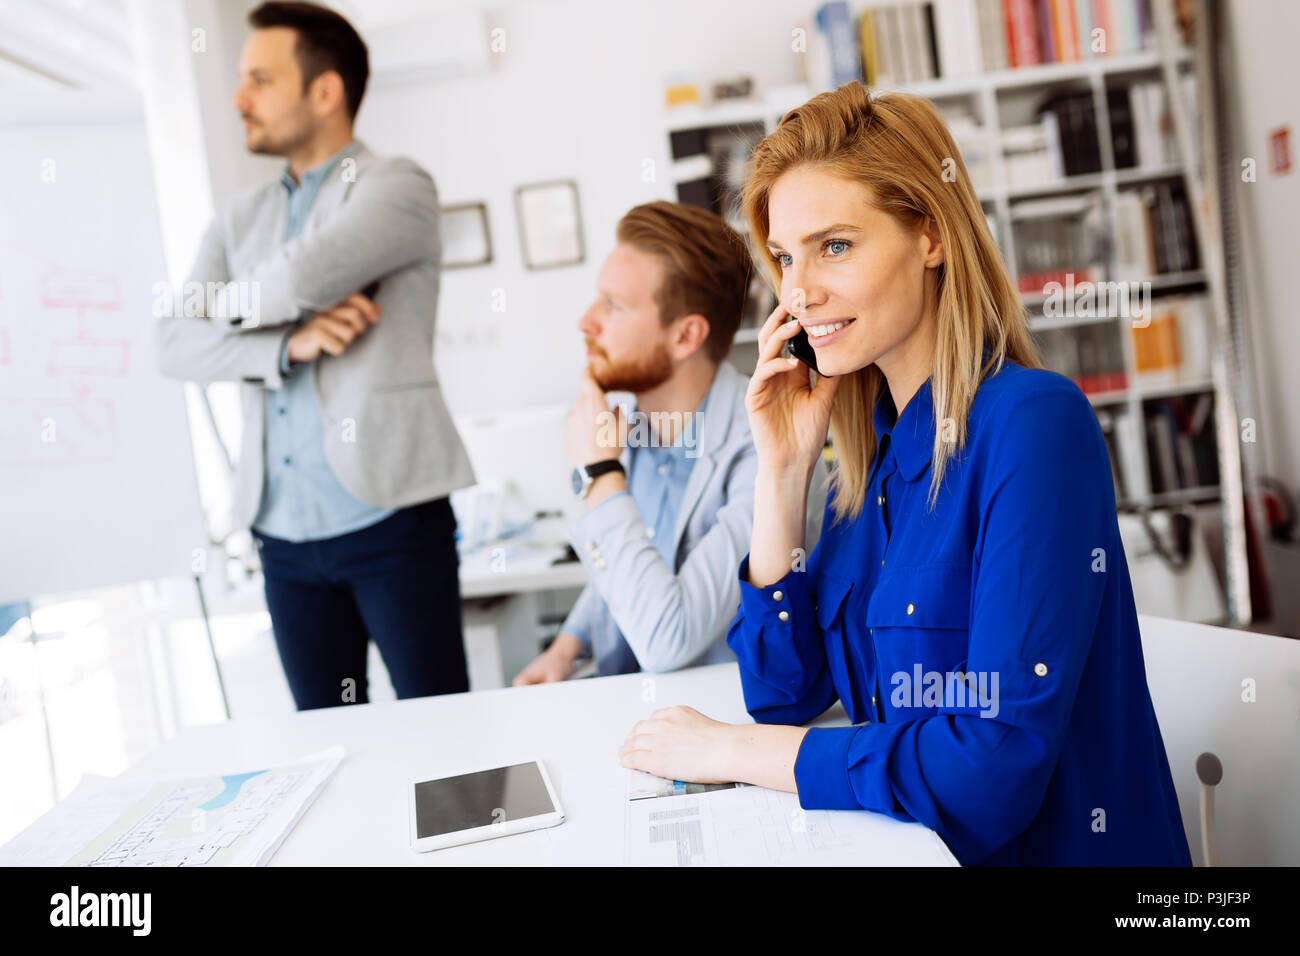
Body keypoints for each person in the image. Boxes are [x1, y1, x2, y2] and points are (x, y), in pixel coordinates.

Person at [617, 83, 1192, 867]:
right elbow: (784, 692)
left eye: (836, 246)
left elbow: (991, 769)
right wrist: (782, 475)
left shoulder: (1033, 424)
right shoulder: (872, 463)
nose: (799, 291)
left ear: (930, 234)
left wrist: (737, 754)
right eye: (786, 257)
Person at [155, 2, 475, 709]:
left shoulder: (398, 187)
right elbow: (172, 342)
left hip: (390, 517)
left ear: (325, 91)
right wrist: (286, 343)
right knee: (329, 742)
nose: (239, 99)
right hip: (282, 537)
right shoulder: (235, 219)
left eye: (260, 81)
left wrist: (224, 307)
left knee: (446, 729)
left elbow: (298, 277)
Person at [514, 201, 826, 682]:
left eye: (613, 306)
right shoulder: (636, 429)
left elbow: (668, 639)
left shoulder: (766, 454)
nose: (585, 323)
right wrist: (566, 647)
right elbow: (637, 556)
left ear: (685, 337)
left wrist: (600, 477)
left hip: (726, 720)